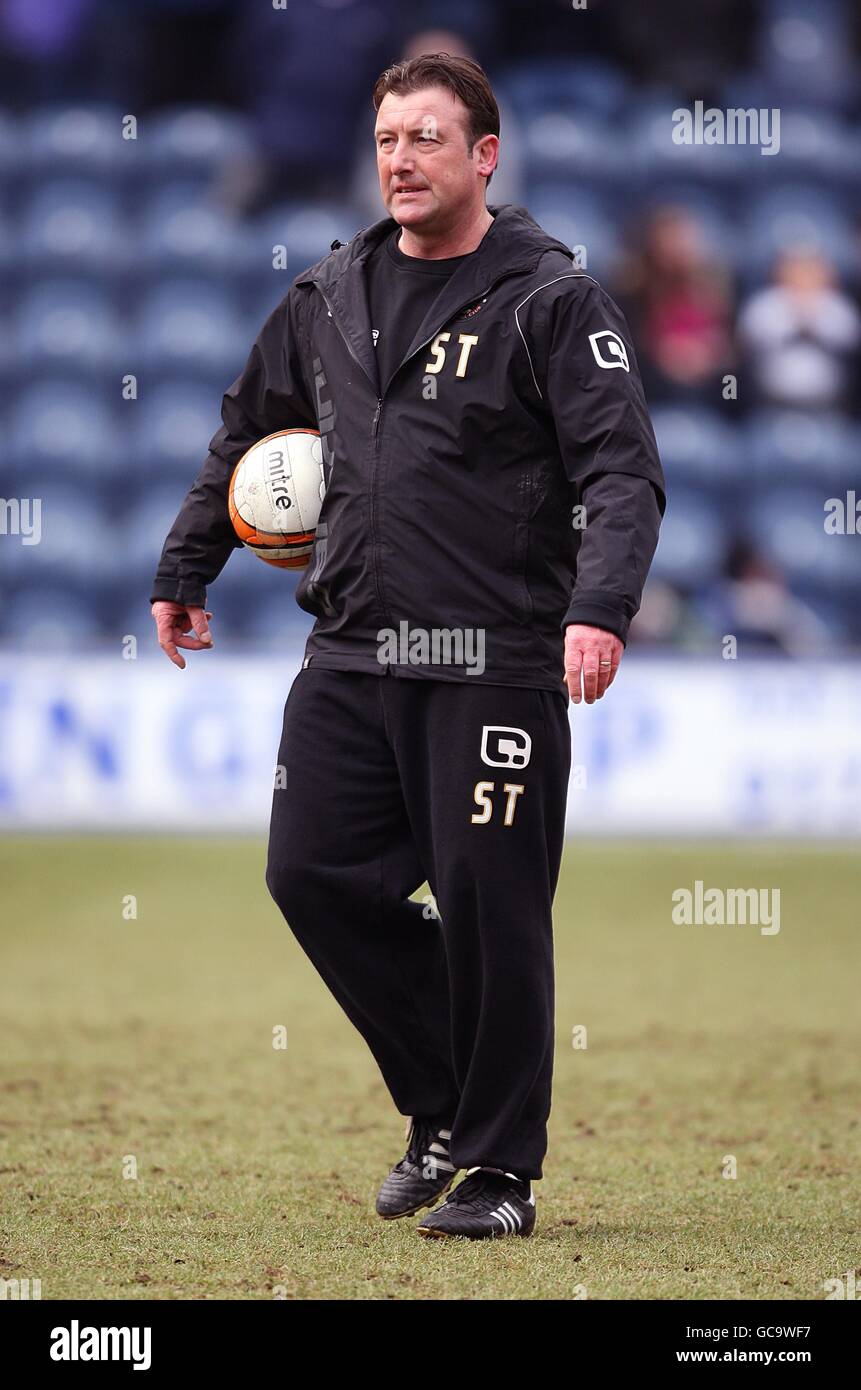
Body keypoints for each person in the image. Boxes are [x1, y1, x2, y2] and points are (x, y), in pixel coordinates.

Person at [151, 53, 665, 1240]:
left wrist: (600, 603)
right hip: (350, 651)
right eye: (387, 137)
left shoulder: (550, 298)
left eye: (427, 138)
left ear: (485, 156)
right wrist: (187, 566)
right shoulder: (327, 295)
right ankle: (441, 1098)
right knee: (312, 875)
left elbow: (621, 469)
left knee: (493, 910)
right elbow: (247, 434)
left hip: (493, 654)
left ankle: (497, 1170)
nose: (401, 159)